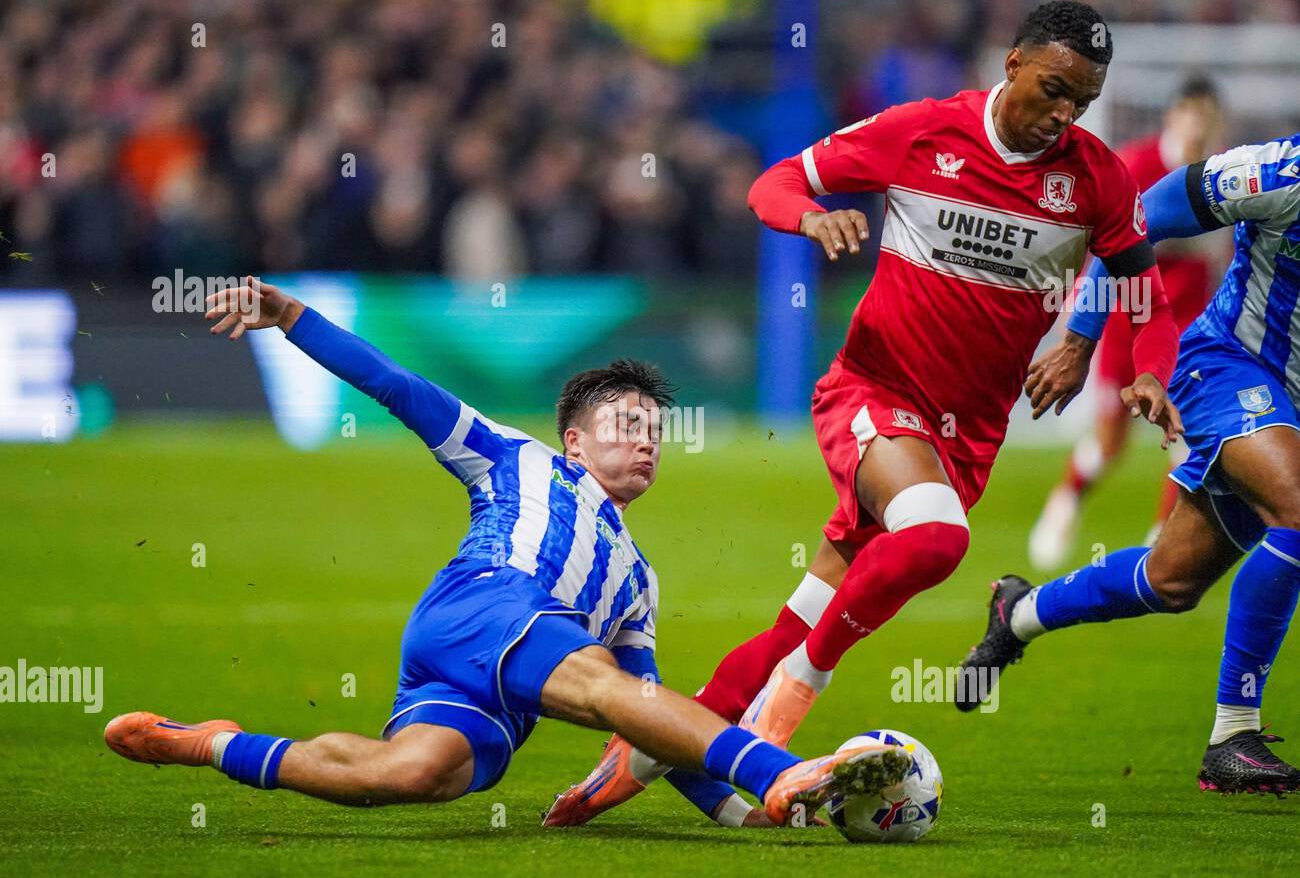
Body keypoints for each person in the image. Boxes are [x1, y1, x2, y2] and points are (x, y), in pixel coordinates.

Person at [543, 0, 1182, 827]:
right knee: (935, 538)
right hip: (873, 393)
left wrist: (1129, 362)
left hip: (967, 437)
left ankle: (639, 752)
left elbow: (1145, 291)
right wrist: (811, 216)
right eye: (1054, 89)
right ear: (1014, 61)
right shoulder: (922, 132)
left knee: (795, 619)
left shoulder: (1094, 176)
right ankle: (798, 692)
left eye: (1082, 102)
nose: (1064, 113)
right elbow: (773, 183)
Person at [103, 277, 913, 825]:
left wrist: (735, 816)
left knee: (407, 776)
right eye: (625, 424)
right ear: (573, 438)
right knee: (598, 680)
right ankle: (777, 769)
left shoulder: (637, 581)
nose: (645, 442)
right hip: (487, 606)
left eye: (655, 432)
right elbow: (398, 386)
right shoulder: (510, 455)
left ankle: (208, 742)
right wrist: (291, 318)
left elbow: (655, 725)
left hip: (502, 689)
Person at [958, 133, 1300, 795]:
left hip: (1287, 410)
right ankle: (1234, 734)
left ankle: (1019, 613)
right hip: (1228, 366)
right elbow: (1138, 218)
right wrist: (1082, 336)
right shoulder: (1276, 173)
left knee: (1171, 582)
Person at [1028, 76, 1225, 569]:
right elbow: (1103, 245)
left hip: (1188, 324)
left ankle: (1161, 543)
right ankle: (1067, 497)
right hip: (1128, 315)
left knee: (1186, 435)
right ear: (1172, 116)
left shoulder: (1222, 174)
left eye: (1208, 115)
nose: (1199, 125)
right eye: (1191, 112)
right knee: (1112, 437)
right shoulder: (1138, 167)